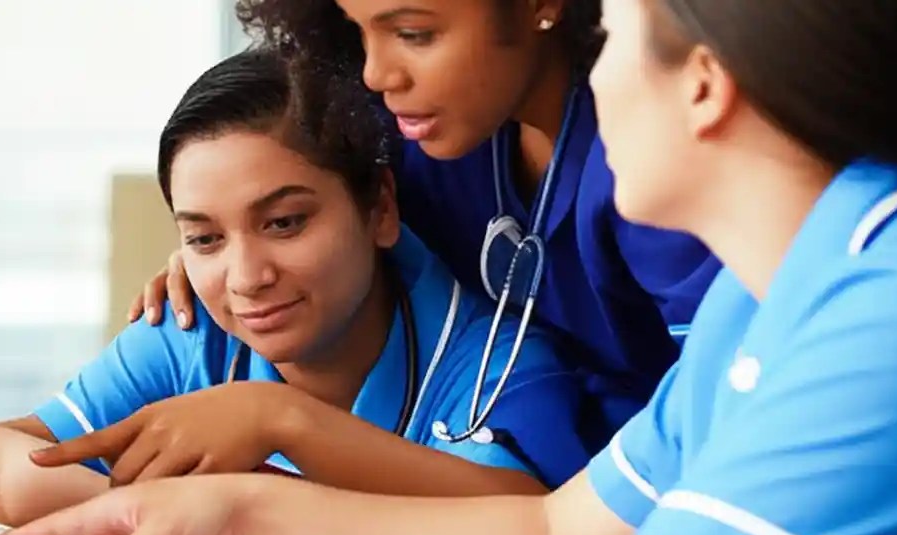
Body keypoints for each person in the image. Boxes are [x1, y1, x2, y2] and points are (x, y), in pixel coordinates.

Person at [0, 0, 897, 535]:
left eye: (611, 35)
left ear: (703, 83)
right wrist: (235, 505)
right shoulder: (769, 294)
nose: (591, 71)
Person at [0, 47, 588, 535]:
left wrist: (282, 425)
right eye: (205, 239)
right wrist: (180, 515)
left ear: (380, 210)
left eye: (285, 223)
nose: (247, 278)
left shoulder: (496, 366)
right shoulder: (192, 337)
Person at [122, 0, 720, 458]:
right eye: (356, 31)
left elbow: (736, 422)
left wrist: (280, 421)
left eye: (414, 34)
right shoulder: (413, 133)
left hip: (648, 514)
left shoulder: (661, 167)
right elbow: (320, 213)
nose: (377, 73)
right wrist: (218, 250)